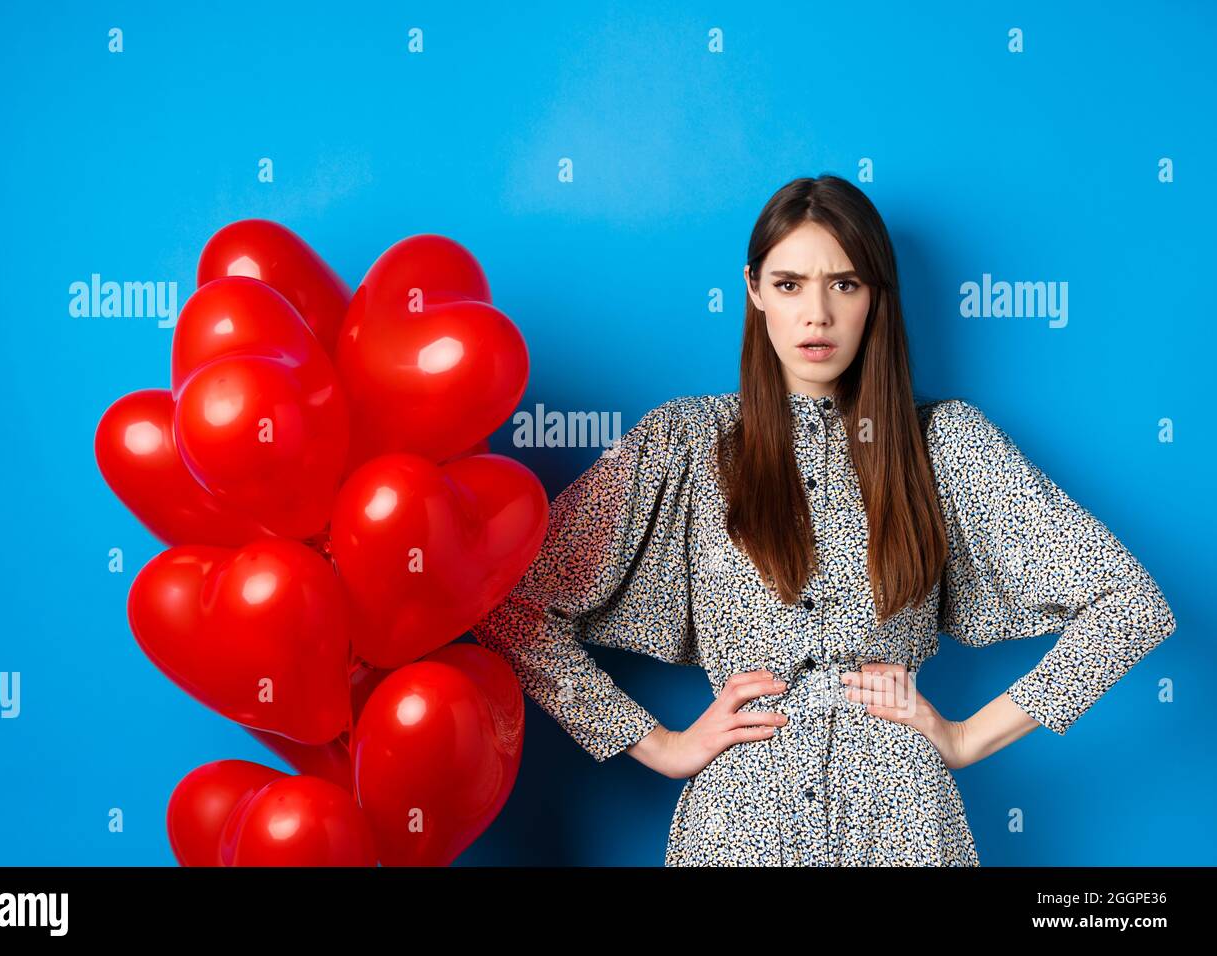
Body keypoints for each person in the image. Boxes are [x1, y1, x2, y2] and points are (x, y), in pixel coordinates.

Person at [468, 174, 1177, 866]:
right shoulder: (685, 443)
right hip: (739, 829)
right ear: (753, 291)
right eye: (789, 284)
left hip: (903, 824)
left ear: (875, 298)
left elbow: (1130, 606)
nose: (817, 314)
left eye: (844, 283)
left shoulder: (945, 448)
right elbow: (508, 603)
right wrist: (657, 742)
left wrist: (964, 738)